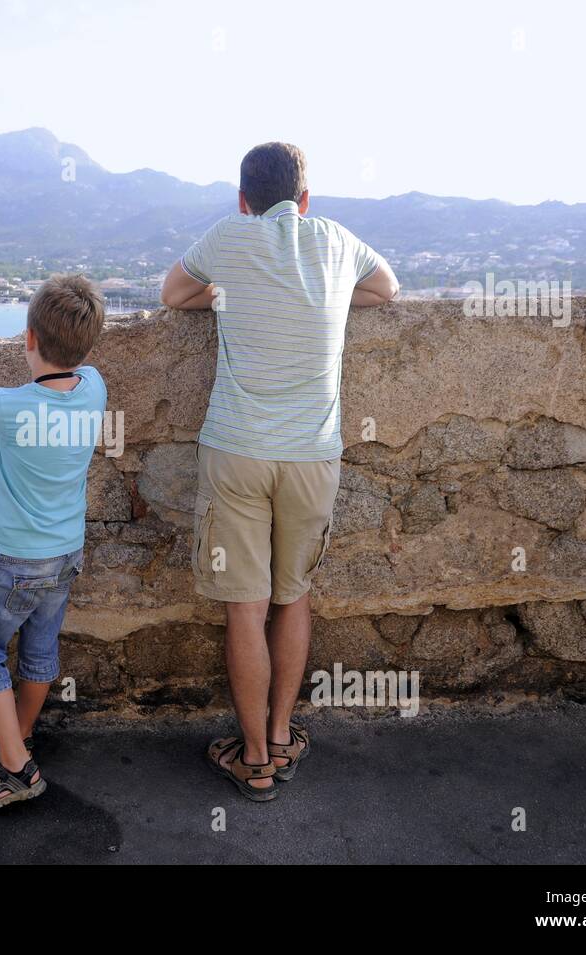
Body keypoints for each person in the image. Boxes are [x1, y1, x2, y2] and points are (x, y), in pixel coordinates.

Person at [160, 142, 399, 801]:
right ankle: (284, 732)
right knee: (293, 595)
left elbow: (171, 292)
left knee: (246, 606)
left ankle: (256, 757)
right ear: (305, 197)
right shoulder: (334, 238)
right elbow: (387, 287)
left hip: (236, 447)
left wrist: (230, 291)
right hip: (312, 454)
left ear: (243, 200)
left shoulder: (230, 236)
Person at [0, 273, 108, 812]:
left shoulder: (9, 408)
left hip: (13, 560)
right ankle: (21, 736)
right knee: (39, 649)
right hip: (65, 555)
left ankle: (15, 766)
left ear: (28, 338)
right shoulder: (95, 386)